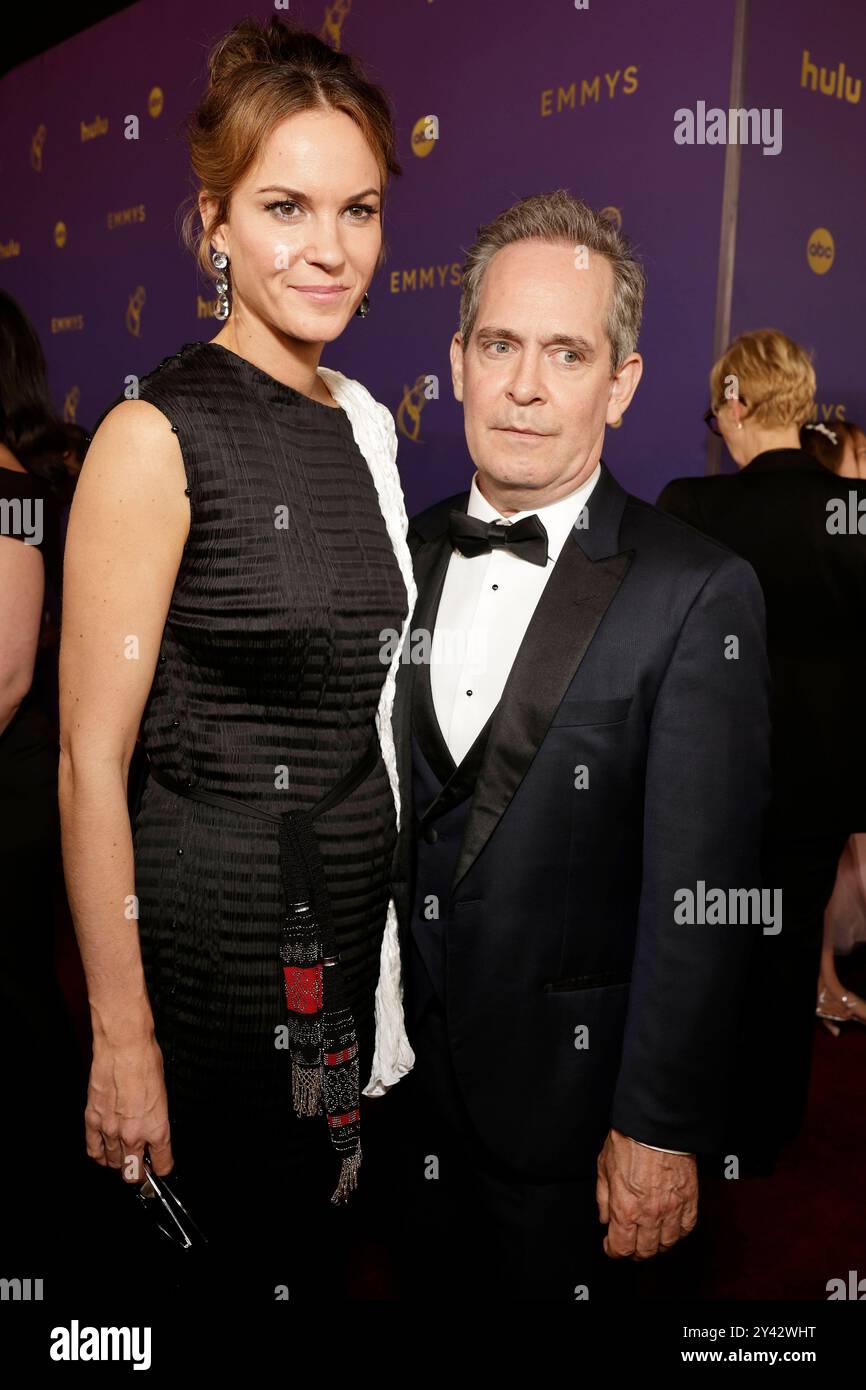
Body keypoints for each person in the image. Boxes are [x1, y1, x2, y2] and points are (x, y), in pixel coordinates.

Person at [59, 16, 416, 1303]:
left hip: (336, 938)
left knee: (311, 1241)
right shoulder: (155, 436)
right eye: (284, 206)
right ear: (213, 221)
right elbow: (90, 761)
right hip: (210, 952)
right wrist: (121, 1036)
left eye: (358, 209)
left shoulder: (360, 424)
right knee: (206, 1259)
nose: (328, 248)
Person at [386, 191, 772, 1301]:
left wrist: (656, 1123)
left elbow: (701, 895)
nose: (522, 386)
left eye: (565, 352)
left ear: (621, 382)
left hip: (575, 1126)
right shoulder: (399, 551)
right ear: (455, 360)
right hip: (404, 1097)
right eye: (498, 344)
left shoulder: (695, 589)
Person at [657, 330, 866, 1161]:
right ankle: (767, 1129)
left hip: (709, 780)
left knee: (700, 952)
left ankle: (687, 1120)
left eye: (720, 409)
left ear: (738, 403)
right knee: (784, 958)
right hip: (820, 788)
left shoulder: (692, 508)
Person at [0, 290, 85, 1264]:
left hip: (10, 797)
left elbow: (8, 674)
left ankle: (50, 1236)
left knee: (14, 1016)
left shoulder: (14, 486)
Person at [799, 418, 866, 1026]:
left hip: (844, 720)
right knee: (825, 865)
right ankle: (820, 986)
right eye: (861, 455)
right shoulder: (826, 530)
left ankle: (825, 984)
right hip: (829, 728)